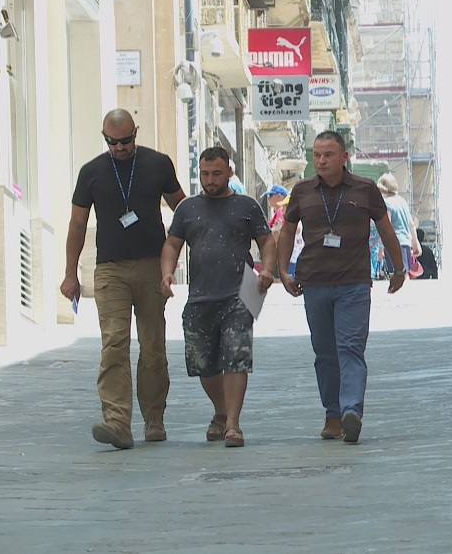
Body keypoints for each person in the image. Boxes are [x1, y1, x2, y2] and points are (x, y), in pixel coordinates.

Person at [60, 108, 186, 450]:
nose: (119, 148)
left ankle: (154, 418)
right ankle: (118, 422)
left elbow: (183, 210)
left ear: (136, 133)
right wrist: (70, 272)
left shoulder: (158, 164)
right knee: (114, 342)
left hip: (150, 266)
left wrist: (183, 255)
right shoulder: (91, 173)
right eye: (112, 142)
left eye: (125, 140)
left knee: (153, 346)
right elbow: (77, 225)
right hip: (110, 269)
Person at [277, 130, 406, 444]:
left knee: (349, 347)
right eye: (317, 155)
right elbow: (287, 230)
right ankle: (332, 415)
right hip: (315, 283)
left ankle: (351, 411)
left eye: (328, 155)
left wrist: (398, 267)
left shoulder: (365, 189)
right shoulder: (303, 191)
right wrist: (283, 270)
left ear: (344, 157)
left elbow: (386, 229)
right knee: (324, 353)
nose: (321, 160)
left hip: (354, 284)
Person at [159, 147, 275, 448]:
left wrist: (268, 270)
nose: (210, 180)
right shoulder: (187, 208)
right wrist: (167, 273)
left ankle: (233, 424)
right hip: (200, 296)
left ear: (229, 173)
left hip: (240, 292)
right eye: (205, 174)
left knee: (236, 357)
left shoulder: (246, 206)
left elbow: (266, 241)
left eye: (217, 174)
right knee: (203, 362)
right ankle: (220, 412)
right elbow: (172, 244)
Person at [376, 173, 421, 276]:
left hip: (393, 244)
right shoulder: (403, 201)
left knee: (395, 275)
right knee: (405, 274)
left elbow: (386, 228)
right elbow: (412, 224)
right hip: (406, 243)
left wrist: (381, 249)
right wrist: (415, 244)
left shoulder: (386, 203)